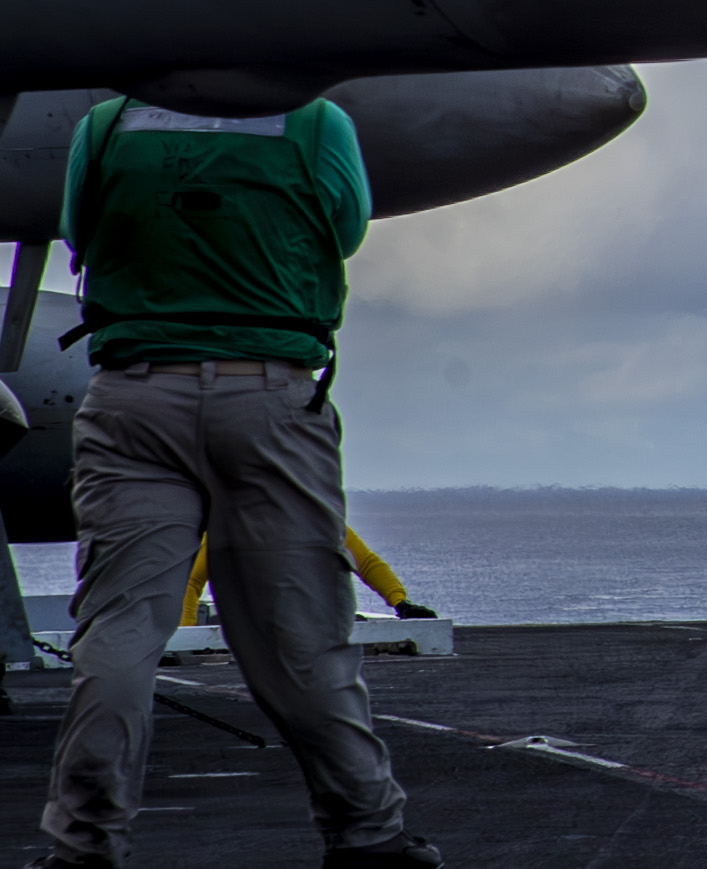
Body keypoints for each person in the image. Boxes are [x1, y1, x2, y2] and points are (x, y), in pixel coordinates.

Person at [27, 94, 436, 869]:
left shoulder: (106, 125)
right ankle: (367, 836)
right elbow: (342, 232)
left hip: (133, 393)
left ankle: (82, 845)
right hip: (271, 395)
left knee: (117, 633)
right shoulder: (317, 121)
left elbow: (82, 234)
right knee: (304, 639)